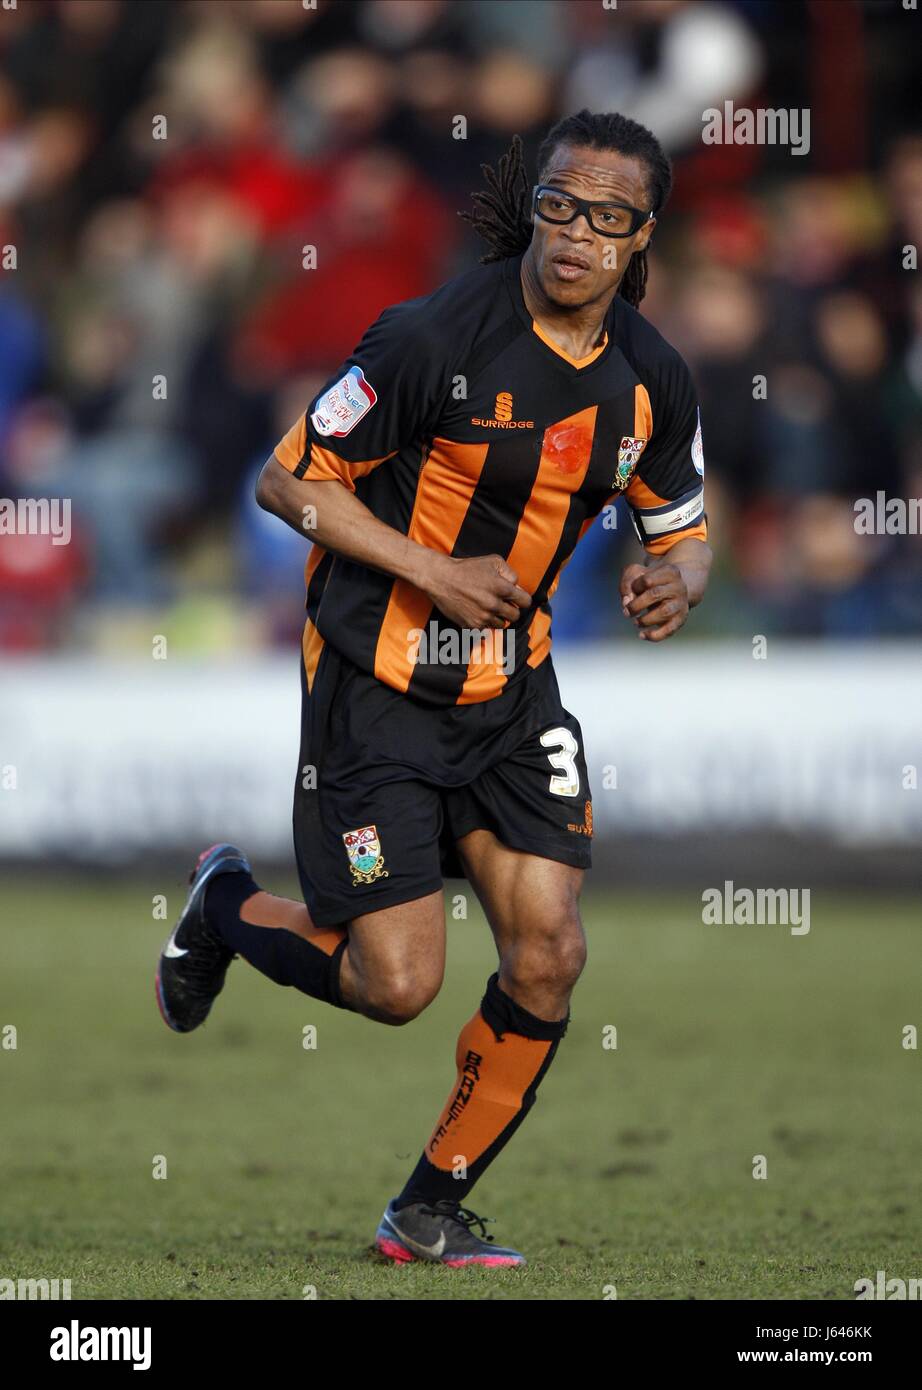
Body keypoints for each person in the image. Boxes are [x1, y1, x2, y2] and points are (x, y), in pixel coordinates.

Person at [156, 110, 711, 1267]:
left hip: (513, 697)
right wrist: (428, 570)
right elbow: (285, 479)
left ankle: (427, 1209)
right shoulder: (430, 337)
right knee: (396, 983)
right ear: (536, 206)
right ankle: (221, 906)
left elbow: (683, 527)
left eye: (606, 217)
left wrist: (677, 580)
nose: (574, 233)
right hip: (380, 688)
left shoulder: (653, 376)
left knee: (550, 950)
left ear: (640, 236)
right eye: (558, 203)